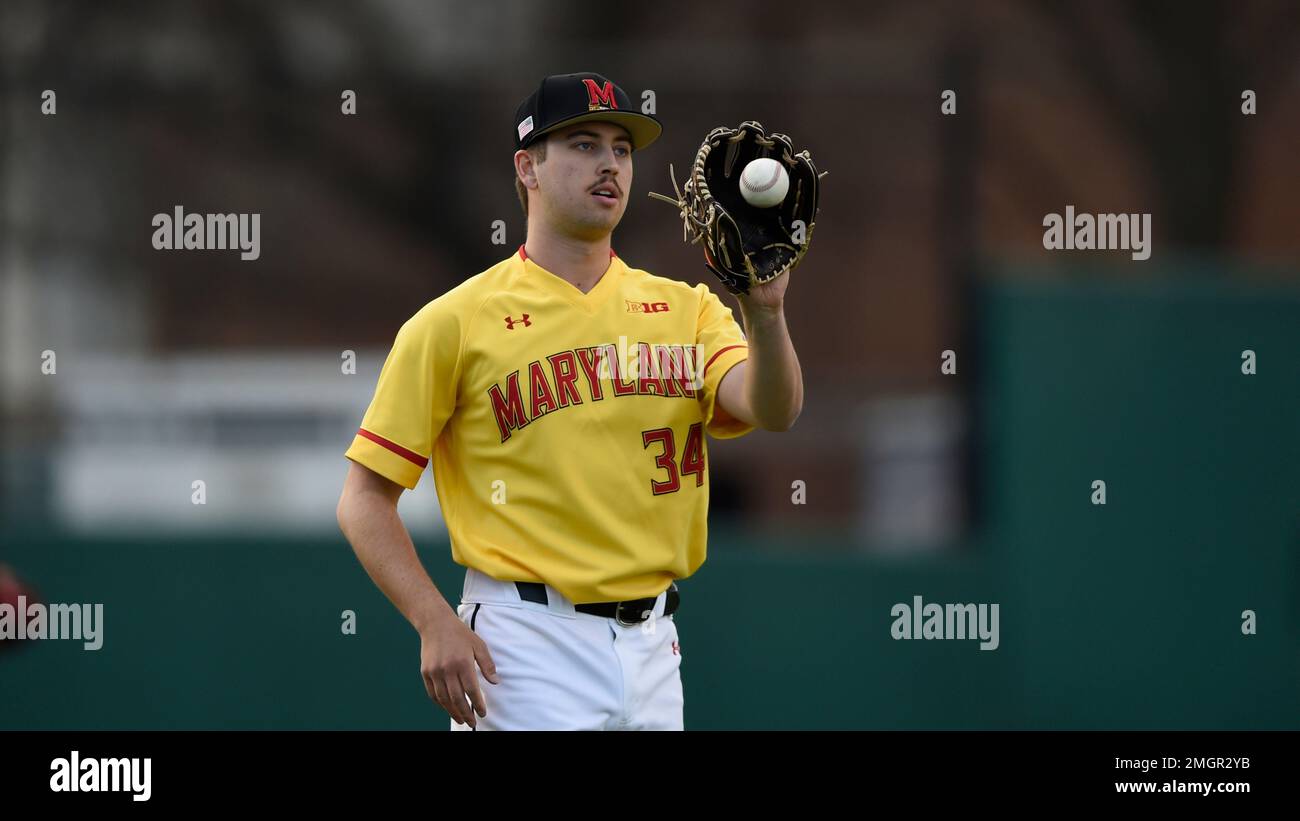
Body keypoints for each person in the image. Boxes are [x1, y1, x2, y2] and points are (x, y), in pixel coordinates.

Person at [336, 71, 804, 730]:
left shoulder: (686, 310)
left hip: (655, 645)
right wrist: (432, 617)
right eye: (583, 144)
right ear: (527, 167)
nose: (609, 162)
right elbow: (363, 498)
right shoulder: (456, 322)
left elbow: (775, 409)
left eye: (622, 147)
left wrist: (766, 314)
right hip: (523, 642)